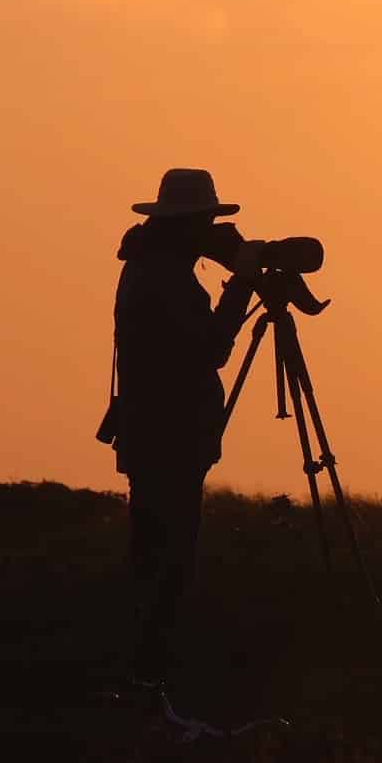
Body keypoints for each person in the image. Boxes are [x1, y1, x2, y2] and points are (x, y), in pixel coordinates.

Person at [109, 168, 262, 687]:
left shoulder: (146, 267)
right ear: (190, 223)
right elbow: (213, 348)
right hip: (170, 437)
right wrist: (241, 280)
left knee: (151, 560)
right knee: (169, 566)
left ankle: (144, 680)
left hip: (151, 433)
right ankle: (154, 682)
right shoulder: (168, 280)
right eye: (206, 222)